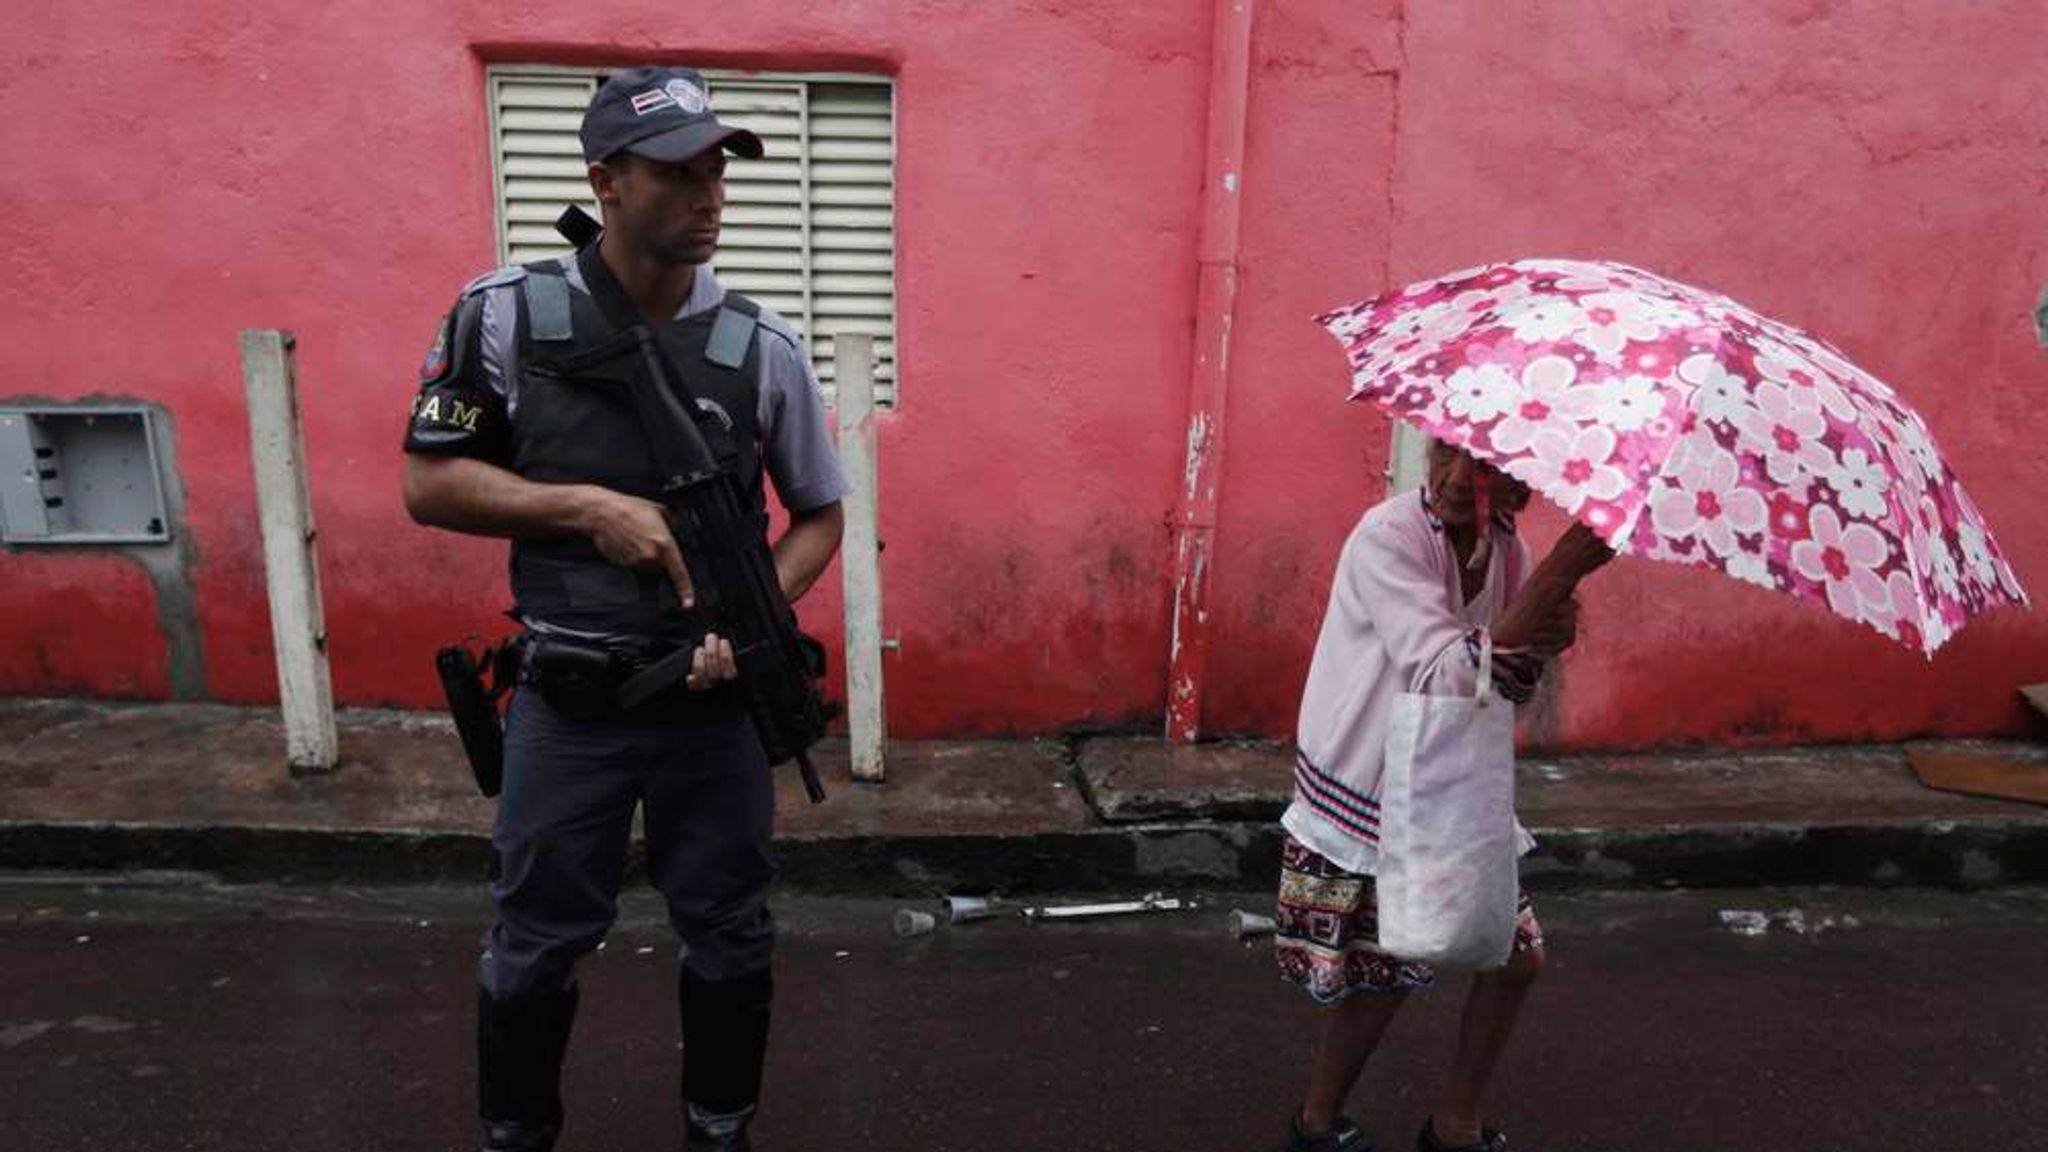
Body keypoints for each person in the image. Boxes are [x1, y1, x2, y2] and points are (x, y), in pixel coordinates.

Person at [401, 66, 847, 1152]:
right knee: (534, 939)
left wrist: (742, 632)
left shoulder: (761, 350)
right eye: (675, 174)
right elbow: (431, 483)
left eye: (715, 173)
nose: (707, 198)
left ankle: (718, 1127)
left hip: (713, 709)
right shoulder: (503, 316)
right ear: (604, 180)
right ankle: (517, 1133)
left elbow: (818, 520)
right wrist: (584, 508)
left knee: (731, 933)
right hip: (571, 696)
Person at [1275, 438, 1614, 1152]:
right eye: (1447, 455)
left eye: (1486, 466)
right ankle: (1315, 1124)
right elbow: (1441, 677)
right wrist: (1559, 573)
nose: (1459, 479)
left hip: (1447, 778)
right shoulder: (1389, 537)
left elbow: (1497, 688)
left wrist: (1545, 629)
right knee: (1386, 973)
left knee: (1514, 958)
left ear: (1520, 483)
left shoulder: (1504, 553)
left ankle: (1453, 1124)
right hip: (1370, 779)